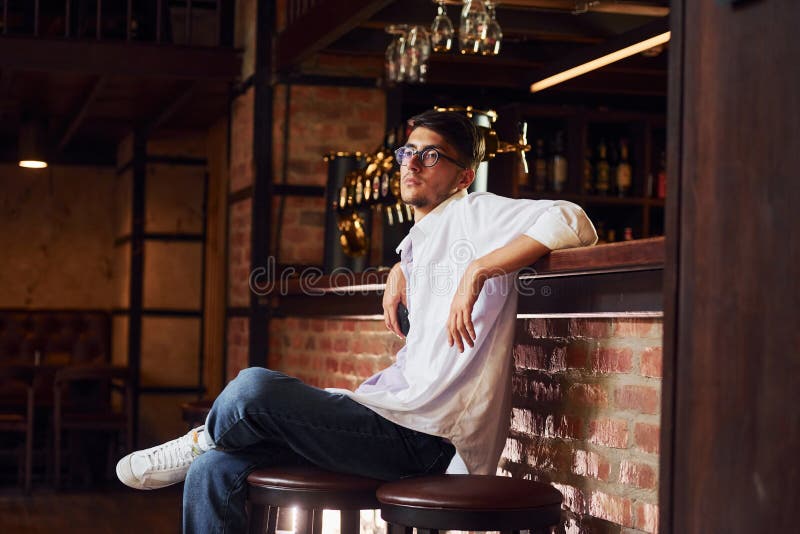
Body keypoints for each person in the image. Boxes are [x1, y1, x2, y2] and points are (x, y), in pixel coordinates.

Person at [116, 110, 597, 533]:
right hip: (388, 414)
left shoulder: (476, 211)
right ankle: (205, 449)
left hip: (427, 438)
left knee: (251, 389)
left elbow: (574, 221)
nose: (411, 162)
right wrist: (401, 265)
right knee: (213, 473)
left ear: (462, 176)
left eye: (431, 156)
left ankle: (200, 438)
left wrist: (480, 271)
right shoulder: (421, 237)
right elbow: (432, 254)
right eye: (408, 151)